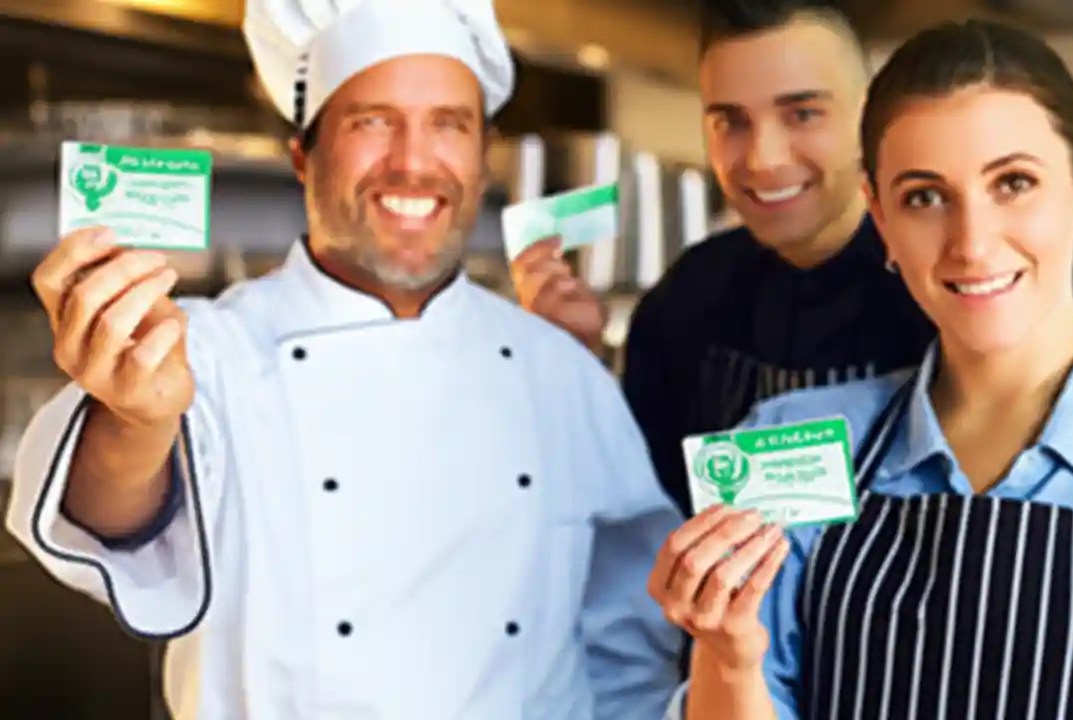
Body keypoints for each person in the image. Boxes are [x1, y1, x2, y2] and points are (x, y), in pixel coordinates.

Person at [4, 1, 683, 717]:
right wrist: (135, 420)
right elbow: (112, 516)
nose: (414, 161)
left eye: (448, 124)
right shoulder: (206, 348)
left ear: (483, 162)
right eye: (372, 121)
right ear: (304, 156)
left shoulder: (562, 373)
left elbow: (628, 649)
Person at [650, 18, 1073, 720]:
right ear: (880, 216)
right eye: (924, 196)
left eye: (1013, 183)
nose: (972, 245)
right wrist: (726, 655)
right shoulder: (792, 441)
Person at [510, 0, 936, 517]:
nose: (764, 159)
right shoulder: (688, 297)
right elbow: (634, 506)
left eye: (802, 113)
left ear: (869, 117)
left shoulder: (939, 290)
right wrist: (577, 362)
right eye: (731, 122)